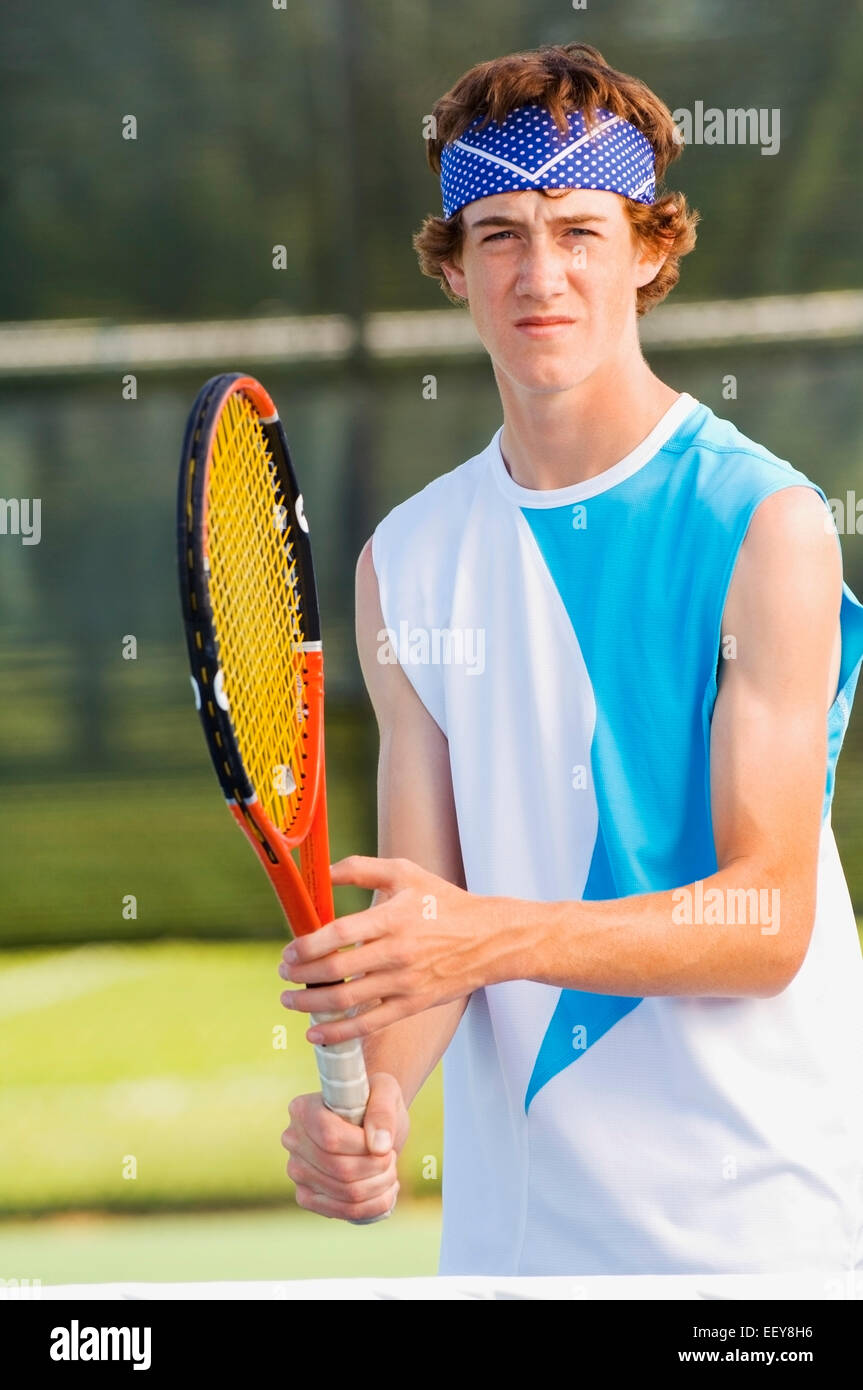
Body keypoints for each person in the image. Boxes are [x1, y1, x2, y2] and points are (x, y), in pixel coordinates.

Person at [279, 42, 863, 1276]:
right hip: (518, 1246)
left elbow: (765, 921)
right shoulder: (406, 558)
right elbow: (425, 918)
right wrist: (376, 1108)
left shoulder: (766, 525)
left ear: (647, 250)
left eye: (577, 230)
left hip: (749, 1238)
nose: (537, 272)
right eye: (496, 233)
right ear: (451, 265)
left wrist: (481, 938)